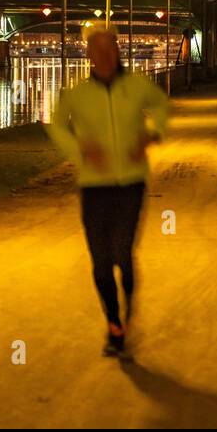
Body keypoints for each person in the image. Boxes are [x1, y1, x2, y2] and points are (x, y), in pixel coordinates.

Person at [46, 28, 169, 358]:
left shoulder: (137, 85)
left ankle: (127, 315)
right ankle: (114, 324)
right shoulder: (75, 94)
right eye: (97, 51)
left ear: (117, 52)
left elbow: (160, 105)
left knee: (122, 254)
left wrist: (152, 133)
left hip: (131, 182)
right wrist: (81, 151)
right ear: (88, 55)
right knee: (101, 262)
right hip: (93, 186)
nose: (104, 56)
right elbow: (56, 125)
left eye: (110, 50)